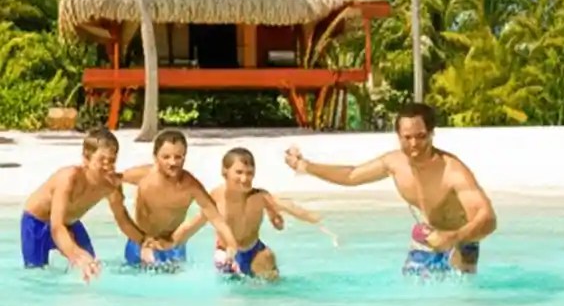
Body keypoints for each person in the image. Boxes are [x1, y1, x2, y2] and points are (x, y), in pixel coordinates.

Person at [284, 103, 496, 276]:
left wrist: (452, 237)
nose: (414, 144)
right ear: (398, 136)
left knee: (456, 305)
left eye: (421, 136)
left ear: (432, 134)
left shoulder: (453, 171)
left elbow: (488, 218)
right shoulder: (394, 163)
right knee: (415, 295)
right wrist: (305, 166)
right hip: (428, 235)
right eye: (407, 137)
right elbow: (351, 175)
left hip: (461, 240)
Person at [170, 147, 335, 281]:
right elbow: (192, 225)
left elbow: (289, 207)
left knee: (268, 261)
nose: (245, 178)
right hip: (227, 253)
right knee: (235, 301)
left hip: (253, 249)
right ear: (225, 172)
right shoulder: (216, 197)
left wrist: (319, 221)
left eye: (249, 173)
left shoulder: (259, 196)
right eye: (239, 172)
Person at [20, 127, 152, 282]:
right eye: (101, 160)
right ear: (86, 159)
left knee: (93, 269)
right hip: (36, 223)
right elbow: (56, 227)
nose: (107, 166)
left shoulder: (110, 185)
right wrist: (74, 253)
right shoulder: (69, 178)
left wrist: (145, 242)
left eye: (112, 161)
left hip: (70, 223)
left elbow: (123, 220)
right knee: (36, 276)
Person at [118, 129, 244, 272]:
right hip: (139, 242)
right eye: (166, 157)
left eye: (178, 157)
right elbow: (111, 181)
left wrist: (231, 244)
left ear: (185, 157)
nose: (172, 162)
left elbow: (214, 216)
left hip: (172, 245)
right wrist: (120, 206)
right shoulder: (143, 176)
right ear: (155, 157)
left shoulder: (190, 186)